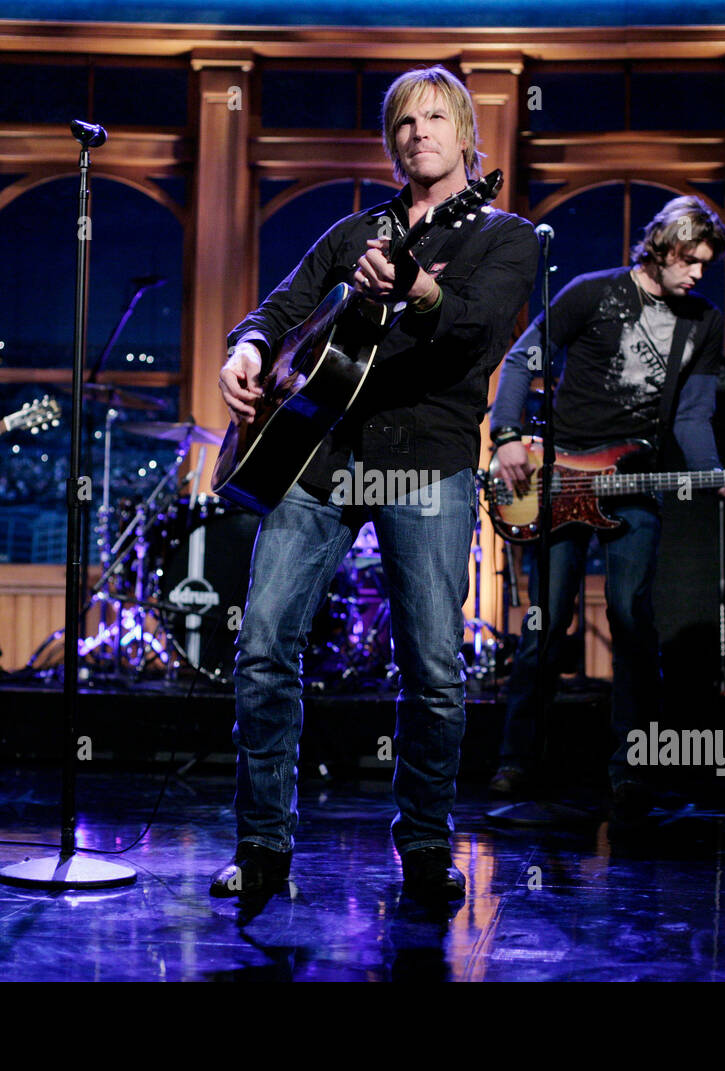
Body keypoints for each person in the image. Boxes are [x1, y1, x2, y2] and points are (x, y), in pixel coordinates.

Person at [212, 66, 539, 904]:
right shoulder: (355, 230)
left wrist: (421, 288)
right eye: (403, 122)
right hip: (316, 456)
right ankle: (263, 846)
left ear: (466, 137)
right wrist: (246, 352)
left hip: (425, 462)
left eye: (436, 118)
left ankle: (427, 844)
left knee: (432, 666)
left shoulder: (504, 237)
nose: (419, 132)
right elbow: (278, 309)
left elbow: (473, 333)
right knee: (260, 649)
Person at [487, 196, 725, 816]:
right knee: (546, 628)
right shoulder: (591, 292)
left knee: (634, 626)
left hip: (636, 484)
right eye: (688, 260)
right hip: (559, 478)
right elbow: (524, 357)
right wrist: (505, 439)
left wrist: (714, 475)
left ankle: (632, 768)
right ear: (659, 248)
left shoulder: (704, 323)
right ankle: (516, 761)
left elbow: (692, 415)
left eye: (705, 265)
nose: (695, 274)